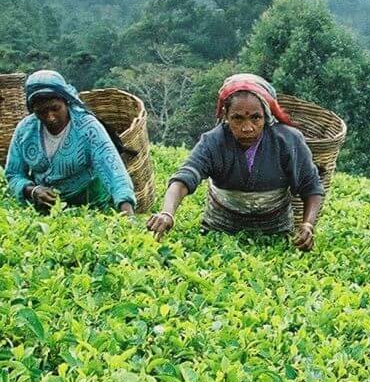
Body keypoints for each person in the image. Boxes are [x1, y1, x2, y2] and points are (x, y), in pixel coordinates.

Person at [146, 74, 323, 250]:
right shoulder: (214, 141)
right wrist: (167, 213)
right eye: (238, 118)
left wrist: (308, 225)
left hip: (275, 230)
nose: (247, 128)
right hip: (221, 227)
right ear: (226, 116)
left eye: (255, 118)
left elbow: (311, 186)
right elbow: (185, 177)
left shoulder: (287, 140)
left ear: (266, 116)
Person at [4, 69, 136, 215]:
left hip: (91, 208)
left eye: (55, 108)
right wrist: (33, 190)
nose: (50, 117)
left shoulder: (88, 128)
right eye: (41, 111)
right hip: (45, 211)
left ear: (66, 102)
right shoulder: (25, 130)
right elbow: (13, 174)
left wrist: (127, 213)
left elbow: (113, 171)